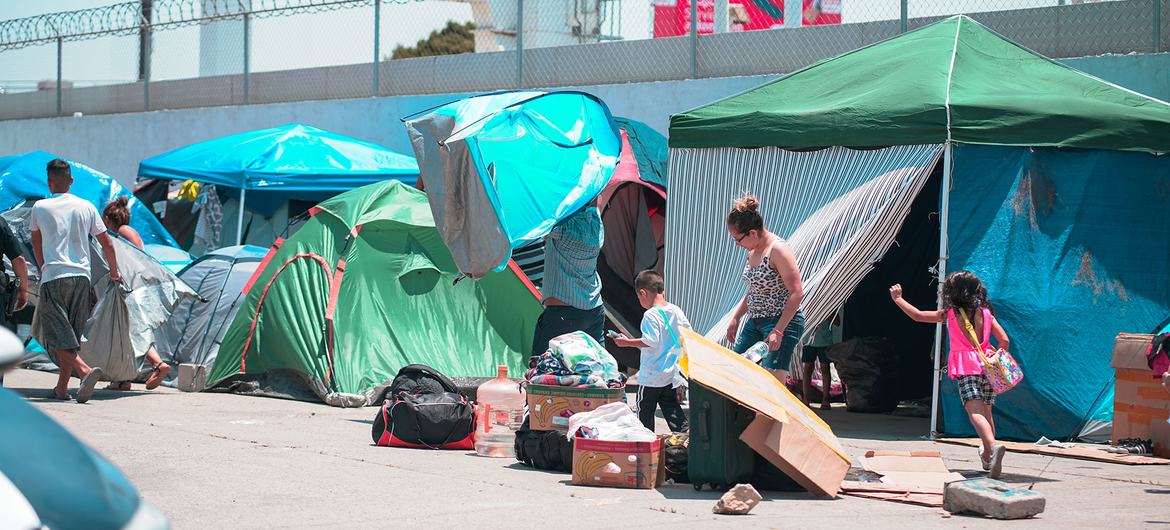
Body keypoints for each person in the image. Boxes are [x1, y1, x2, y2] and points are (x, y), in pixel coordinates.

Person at [890, 271, 1010, 478]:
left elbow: (918, 315)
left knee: (975, 412)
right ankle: (988, 453)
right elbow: (1004, 341)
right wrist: (993, 353)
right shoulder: (987, 313)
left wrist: (898, 299)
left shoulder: (951, 314)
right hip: (988, 368)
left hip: (967, 368)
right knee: (987, 412)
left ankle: (992, 446)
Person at [30, 159, 121, 403]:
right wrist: (114, 272)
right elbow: (107, 243)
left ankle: (83, 371)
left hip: (54, 276)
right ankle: (61, 388)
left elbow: (35, 242)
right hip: (82, 278)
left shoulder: (40, 207)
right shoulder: (87, 207)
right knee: (70, 332)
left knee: (59, 335)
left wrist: (42, 267)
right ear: (71, 181)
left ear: (49, 182)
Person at [725, 195, 805, 382]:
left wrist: (778, 331)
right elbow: (754, 290)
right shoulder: (752, 251)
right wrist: (736, 317)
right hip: (756, 322)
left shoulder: (778, 250)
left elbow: (797, 292)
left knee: (772, 385)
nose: (737, 245)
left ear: (752, 233)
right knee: (734, 370)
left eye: (738, 239)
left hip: (781, 322)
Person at [101, 197, 170, 391]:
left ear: (107, 218)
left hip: (130, 288)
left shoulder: (123, 232)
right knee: (126, 333)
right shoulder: (128, 231)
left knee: (132, 331)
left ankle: (157, 364)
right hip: (134, 287)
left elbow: (136, 259)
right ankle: (123, 379)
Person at [612, 270, 691, 433]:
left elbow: (651, 341)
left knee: (644, 415)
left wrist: (626, 342)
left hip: (651, 376)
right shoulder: (675, 310)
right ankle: (687, 442)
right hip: (670, 374)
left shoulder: (650, 315)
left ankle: (646, 446)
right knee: (673, 411)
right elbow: (688, 333)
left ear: (643, 293)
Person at [529, 203, 605, 364]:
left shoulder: (563, 227)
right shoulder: (597, 224)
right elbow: (596, 201)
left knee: (544, 369)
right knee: (596, 369)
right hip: (594, 309)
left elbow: (536, 216)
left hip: (563, 312)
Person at [801, 309, 841, 410]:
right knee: (808, 369)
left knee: (825, 369)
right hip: (809, 341)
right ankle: (806, 400)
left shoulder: (829, 306)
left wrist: (828, 312)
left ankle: (826, 400)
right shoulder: (809, 305)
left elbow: (837, 322)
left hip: (824, 342)